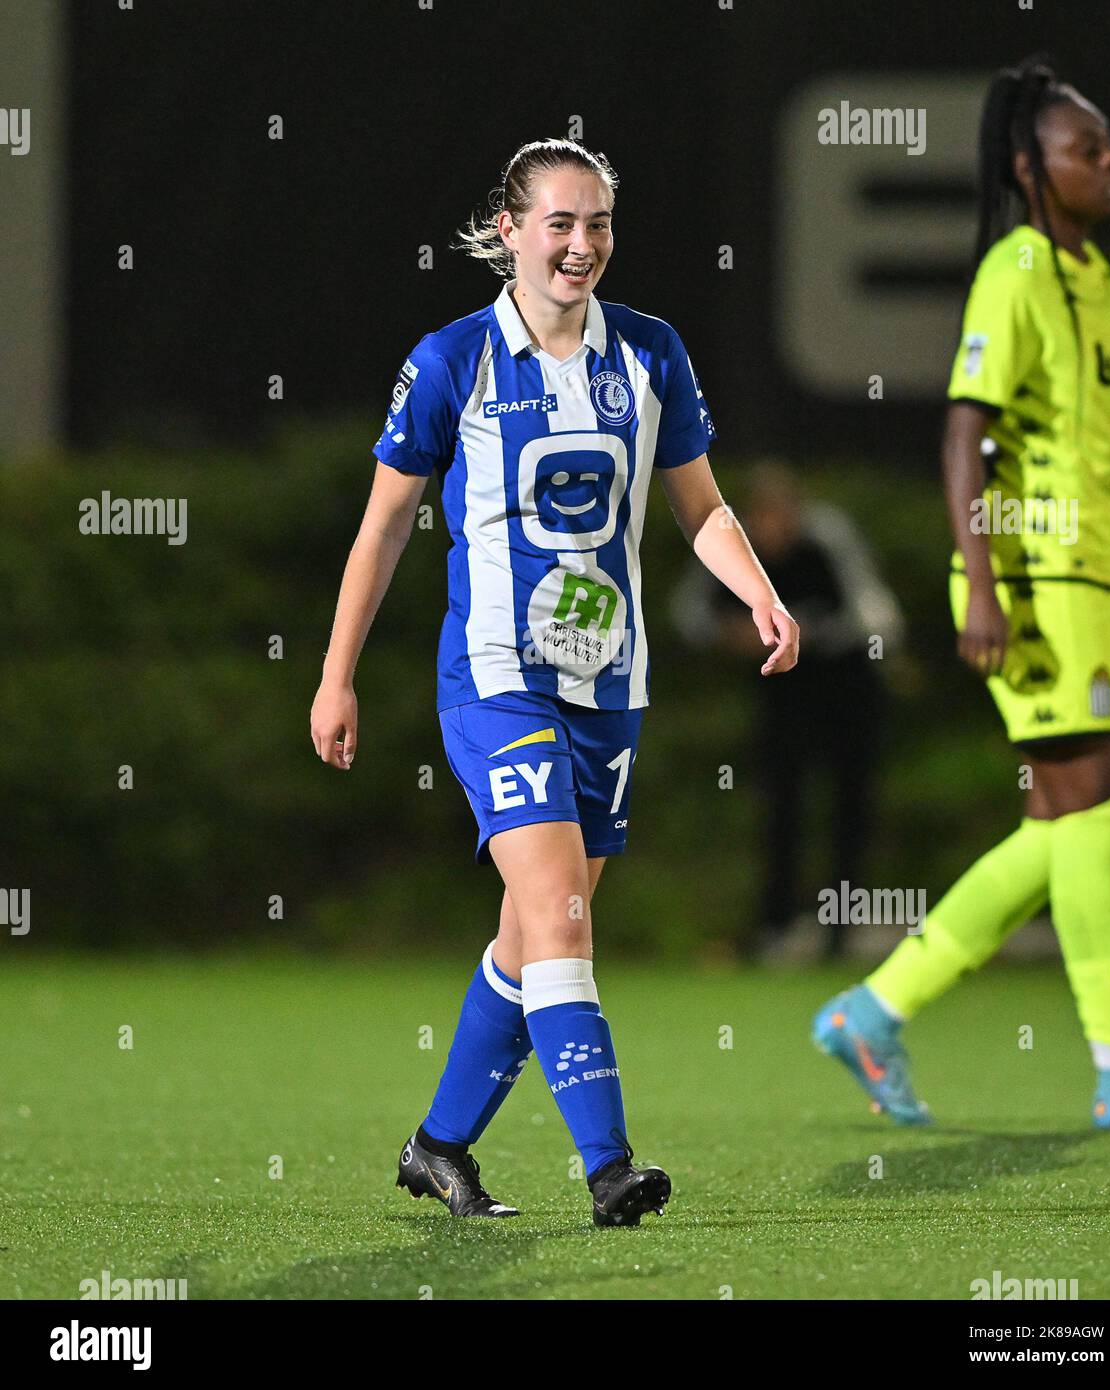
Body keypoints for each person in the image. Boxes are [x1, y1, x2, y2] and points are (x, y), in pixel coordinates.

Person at [310, 138, 799, 1224]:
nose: (581, 246)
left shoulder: (651, 354)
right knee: (565, 917)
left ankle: (437, 1146)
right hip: (494, 682)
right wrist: (335, 675)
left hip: (608, 684)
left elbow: (702, 506)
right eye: (559, 224)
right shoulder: (451, 362)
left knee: (530, 936)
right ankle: (607, 1167)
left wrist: (755, 589)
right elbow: (385, 524)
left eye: (598, 225)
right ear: (509, 229)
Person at [813, 56, 1110, 1128]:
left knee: (1073, 821)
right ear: (1026, 166)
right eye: (1082, 150)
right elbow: (965, 426)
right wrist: (980, 588)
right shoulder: (1016, 269)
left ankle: (873, 1010)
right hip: (1031, 572)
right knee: (1093, 814)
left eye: (1109, 148)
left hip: (1098, 575)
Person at [672, 461, 902, 959]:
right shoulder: (733, 539)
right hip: (784, 694)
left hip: (846, 685)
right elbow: (692, 612)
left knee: (849, 808)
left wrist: (808, 632)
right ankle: (776, 925)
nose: (772, 527)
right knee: (782, 805)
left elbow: (878, 616)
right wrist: (730, 634)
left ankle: (840, 929)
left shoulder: (826, 538)